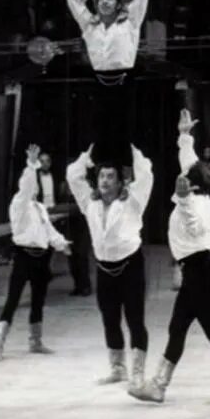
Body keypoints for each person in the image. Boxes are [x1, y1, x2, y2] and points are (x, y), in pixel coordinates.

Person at [132, 110, 210, 406]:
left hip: (199, 273)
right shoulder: (198, 190)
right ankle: (162, 386)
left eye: (185, 179)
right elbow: (189, 162)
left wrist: (183, 202)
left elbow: (195, 227)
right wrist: (184, 135)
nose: (181, 177)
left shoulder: (198, 205)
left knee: (202, 330)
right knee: (184, 328)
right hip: (197, 273)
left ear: (192, 186)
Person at [66, 139, 153, 395]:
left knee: (135, 319)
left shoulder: (133, 201)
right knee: (109, 319)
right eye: (101, 176)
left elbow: (146, 176)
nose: (104, 181)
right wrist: (85, 158)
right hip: (104, 269)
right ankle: (118, 369)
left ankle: (137, 375)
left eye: (110, 176)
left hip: (131, 266)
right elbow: (72, 176)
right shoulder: (89, 203)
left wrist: (136, 153)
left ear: (120, 181)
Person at [0, 144, 71, 362]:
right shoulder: (18, 204)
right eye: (31, 183)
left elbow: (48, 230)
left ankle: (35, 341)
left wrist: (61, 243)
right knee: (13, 299)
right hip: (23, 256)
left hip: (41, 257)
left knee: (38, 299)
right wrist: (31, 165)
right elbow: (26, 187)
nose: (34, 187)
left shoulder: (40, 208)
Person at [66, 0, 148, 169]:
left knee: (125, 133)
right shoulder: (89, 24)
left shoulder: (131, 22)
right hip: (98, 83)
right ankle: (98, 178)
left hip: (124, 82)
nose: (104, 1)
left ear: (118, 3)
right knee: (98, 134)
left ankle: (127, 176)